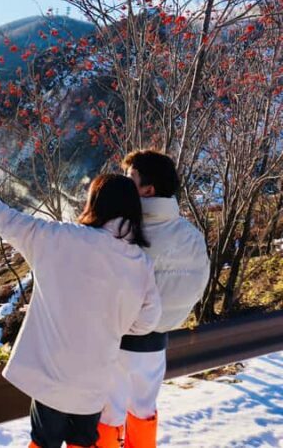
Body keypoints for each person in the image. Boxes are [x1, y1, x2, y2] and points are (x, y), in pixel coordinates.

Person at [0, 172, 162, 448]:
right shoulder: (140, 263)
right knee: (83, 441)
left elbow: (10, 221)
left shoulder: (59, 237)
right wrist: (115, 324)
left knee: (44, 441)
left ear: (95, 204)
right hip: (95, 378)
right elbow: (148, 320)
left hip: (52, 374)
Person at [98, 151, 210, 448]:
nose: (123, 183)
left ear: (147, 190)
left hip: (118, 341)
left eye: (129, 178)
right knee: (143, 411)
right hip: (156, 343)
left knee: (109, 415)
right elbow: (196, 285)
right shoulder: (192, 236)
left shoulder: (122, 231)